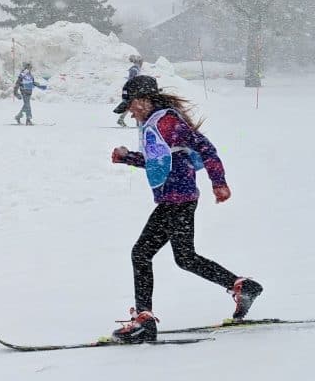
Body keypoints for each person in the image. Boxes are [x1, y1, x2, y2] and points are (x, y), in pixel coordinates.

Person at [110, 74, 262, 343]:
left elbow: (206, 148)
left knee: (141, 254)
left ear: (144, 100)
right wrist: (127, 158)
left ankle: (144, 321)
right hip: (179, 199)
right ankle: (241, 286)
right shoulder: (155, 123)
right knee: (185, 258)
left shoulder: (168, 122)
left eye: (132, 106)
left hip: (176, 200)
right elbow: (159, 162)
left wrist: (219, 183)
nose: (131, 114)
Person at [116, 54, 144, 126]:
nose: (142, 63)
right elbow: (132, 80)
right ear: (138, 62)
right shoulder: (134, 69)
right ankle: (137, 123)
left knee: (132, 105)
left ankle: (122, 119)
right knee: (135, 105)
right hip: (132, 89)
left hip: (132, 89)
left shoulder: (136, 69)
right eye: (141, 62)